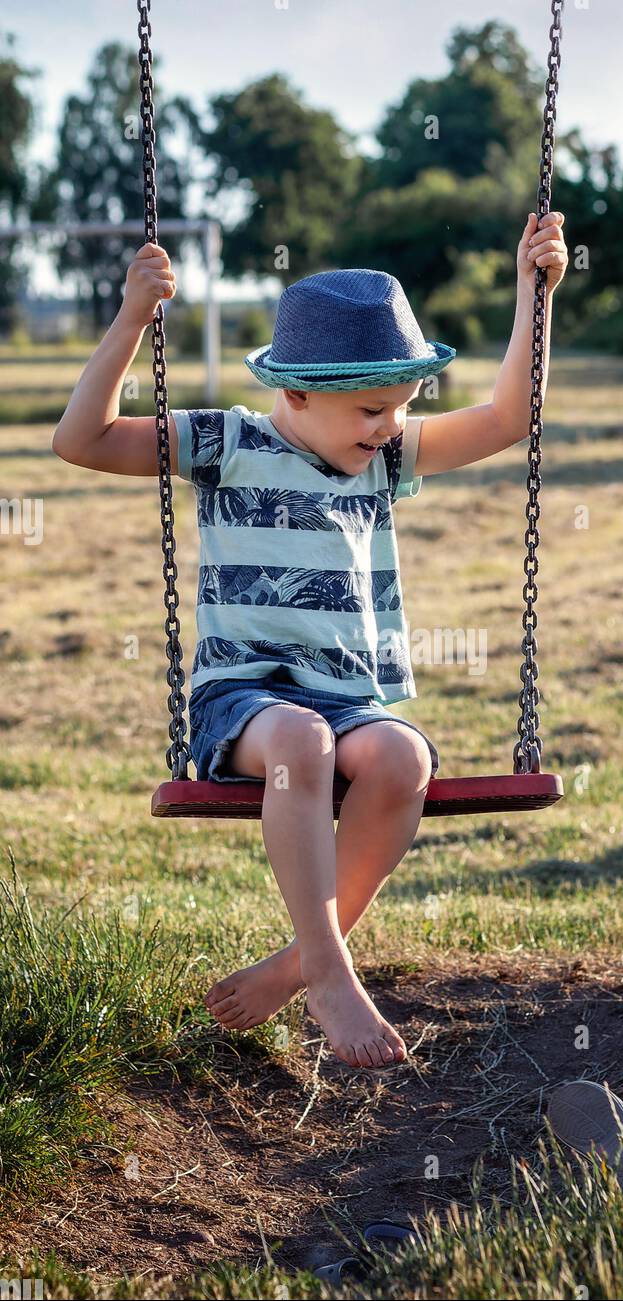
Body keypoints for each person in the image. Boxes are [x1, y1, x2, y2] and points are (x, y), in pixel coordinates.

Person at [52, 212, 568, 1070]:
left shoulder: (386, 458)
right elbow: (82, 441)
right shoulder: (228, 443)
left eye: (402, 407)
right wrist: (132, 320)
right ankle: (330, 972)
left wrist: (532, 294)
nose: (390, 426)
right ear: (295, 393)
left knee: (403, 758)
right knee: (302, 739)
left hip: (348, 697)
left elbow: (508, 417)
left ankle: (298, 961)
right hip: (244, 700)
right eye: (372, 409)